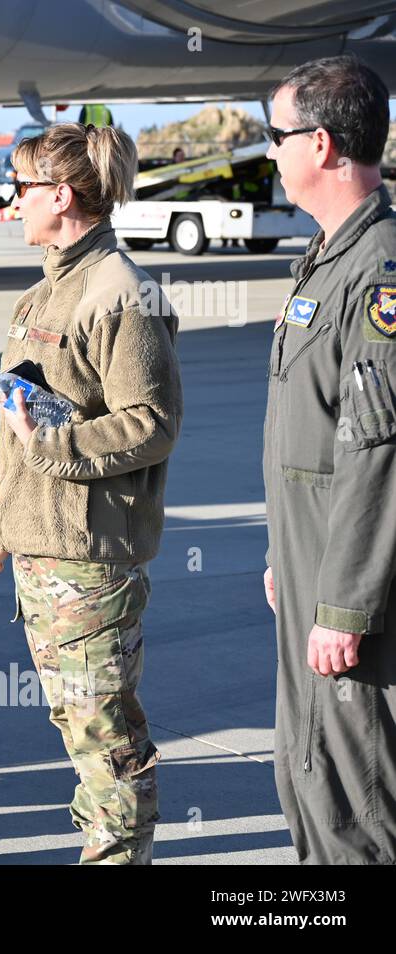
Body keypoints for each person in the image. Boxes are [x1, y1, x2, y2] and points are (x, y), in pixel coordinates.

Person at [0, 123, 183, 864]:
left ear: (60, 196)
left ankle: (120, 856)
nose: (13, 204)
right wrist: (1, 527)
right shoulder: (43, 294)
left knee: (105, 733)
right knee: (77, 722)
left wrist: (56, 447)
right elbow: (17, 426)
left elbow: (151, 422)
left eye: (22, 189)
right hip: (43, 550)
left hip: (89, 561)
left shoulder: (124, 291)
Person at [262, 54, 396, 864]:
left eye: (275, 135)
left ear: (319, 144)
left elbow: (377, 450)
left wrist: (343, 602)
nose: (268, 152)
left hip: (351, 587)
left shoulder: (378, 271)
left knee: (354, 798)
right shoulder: (327, 259)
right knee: (307, 776)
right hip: (311, 562)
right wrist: (289, 553)